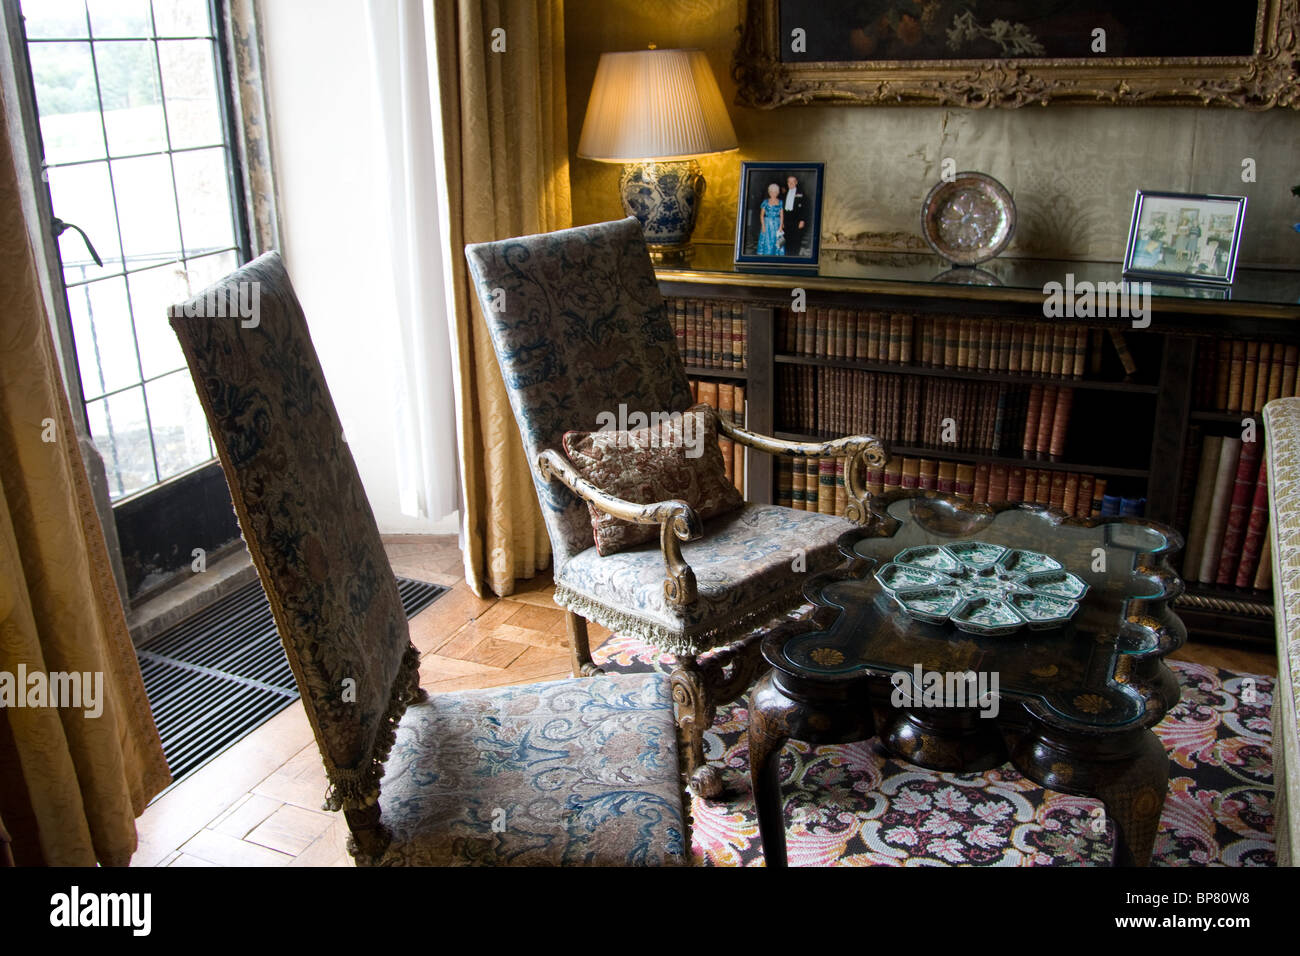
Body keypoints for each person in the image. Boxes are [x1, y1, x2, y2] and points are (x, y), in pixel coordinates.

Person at [781, 174, 809, 256]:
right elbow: (781, 209)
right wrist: (781, 222)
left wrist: (802, 220)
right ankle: (787, 255)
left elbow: (805, 209)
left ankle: (794, 256)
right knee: (786, 238)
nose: (791, 184)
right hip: (786, 220)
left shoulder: (802, 194)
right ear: (787, 183)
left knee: (796, 239)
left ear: (796, 182)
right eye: (789, 182)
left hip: (796, 220)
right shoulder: (784, 194)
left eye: (793, 182)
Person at [755, 182, 784, 255]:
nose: (773, 194)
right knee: (767, 241)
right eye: (771, 192)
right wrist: (763, 226)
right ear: (769, 192)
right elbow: (761, 215)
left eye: (775, 192)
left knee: (778, 240)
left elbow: (782, 215)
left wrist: (780, 226)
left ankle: (778, 255)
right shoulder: (765, 202)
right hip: (767, 224)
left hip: (777, 224)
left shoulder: (780, 202)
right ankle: (767, 255)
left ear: (777, 192)